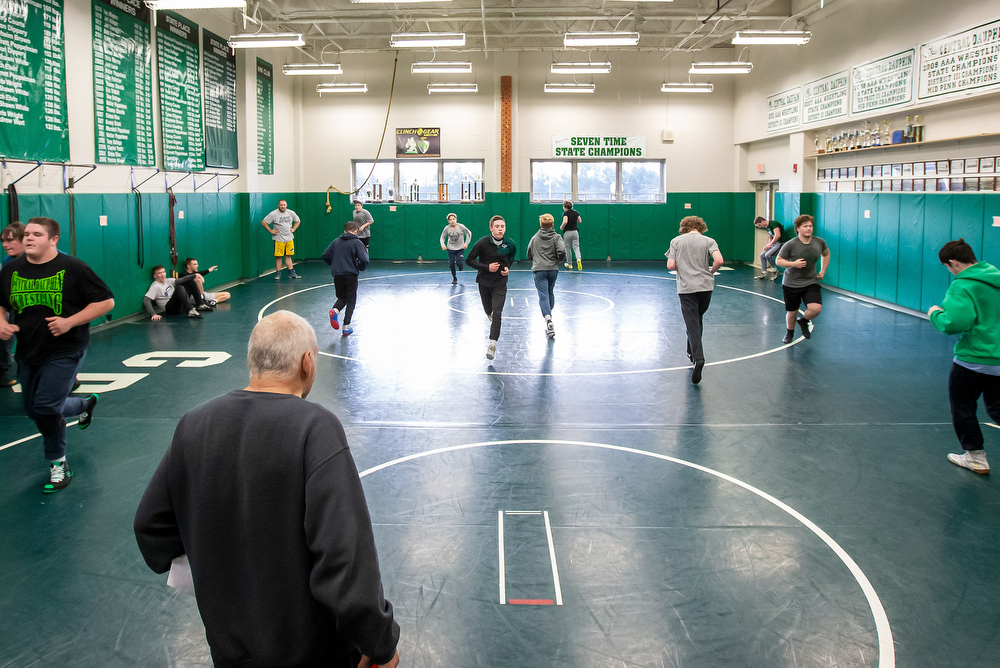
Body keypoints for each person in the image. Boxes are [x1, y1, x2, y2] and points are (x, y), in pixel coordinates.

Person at [134, 311, 400, 668]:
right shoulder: (314, 428)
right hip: (311, 652)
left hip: (229, 648)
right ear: (308, 363)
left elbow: (151, 527)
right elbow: (344, 556)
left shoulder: (194, 423)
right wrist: (379, 641)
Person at [0, 217, 114, 492]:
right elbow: (1, 304)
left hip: (66, 349)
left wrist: (69, 321)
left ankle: (57, 464)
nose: (28, 238)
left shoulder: (73, 267)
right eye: (26, 234)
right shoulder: (11, 269)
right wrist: (2, 323)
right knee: (33, 409)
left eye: (37, 234)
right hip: (29, 350)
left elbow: (106, 301)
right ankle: (84, 405)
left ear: (53, 240)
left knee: (46, 408)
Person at [928, 239, 1000, 475]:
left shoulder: (963, 285)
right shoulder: (996, 277)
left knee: (963, 408)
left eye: (948, 267)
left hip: (973, 360)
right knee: (998, 408)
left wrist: (935, 314)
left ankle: (976, 458)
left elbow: (954, 323)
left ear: (953, 263)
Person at [666, 216, 724, 385]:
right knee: (696, 320)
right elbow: (719, 260)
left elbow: (670, 265)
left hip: (687, 288)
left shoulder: (676, 241)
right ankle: (691, 352)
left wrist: (683, 268)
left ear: (683, 227)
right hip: (706, 287)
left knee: (692, 323)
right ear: (701, 227)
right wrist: (710, 272)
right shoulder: (709, 240)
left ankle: (698, 358)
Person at [466, 215, 517, 360]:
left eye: (503, 226)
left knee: (498, 313)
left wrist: (507, 269)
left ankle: (492, 344)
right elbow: (469, 260)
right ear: (491, 228)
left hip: (500, 283)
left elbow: (510, 259)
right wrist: (486, 267)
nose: (500, 229)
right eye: (497, 226)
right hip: (484, 282)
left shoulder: (510, 244)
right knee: (489, 311)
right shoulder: (482, 243)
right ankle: (490, 315)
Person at [776, 214, 830, 344]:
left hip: (810, 281)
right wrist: (793, 264)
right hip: (791, 283)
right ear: (798, 229)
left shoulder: (819, 242)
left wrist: (823, 270)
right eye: (805, 226)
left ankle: (804, 320)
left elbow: (826, 253)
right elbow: (779, 260)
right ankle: (789, 333)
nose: (809, 228)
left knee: (816, 309)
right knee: (792, 311)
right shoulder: (790, 245)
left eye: (810, 226)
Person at [322, 221, 369, 336]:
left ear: (344, 231)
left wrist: (334, 265)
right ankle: (346, 327)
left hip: (337, 274)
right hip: (350, 274)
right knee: (351, 300)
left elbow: (325, 255)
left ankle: (335, 310)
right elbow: (364, 259)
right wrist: (359, 267)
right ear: (355, 232)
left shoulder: (336, 241)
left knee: (342, 297)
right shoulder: (357, 242)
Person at [527, 213, 566, 339]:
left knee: (543, 295)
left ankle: (548, 318)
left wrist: (535, 261)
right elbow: (562, 251)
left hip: (539, 269)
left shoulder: (535, 238)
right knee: (550, 292)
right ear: (552, 225)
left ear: (541, 224)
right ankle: (549, 316)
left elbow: (529, 253)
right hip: (552, 269)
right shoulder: (557, 237)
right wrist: (557, 260)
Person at [1, 221, 25, 386]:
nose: (5, 244)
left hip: (38, 307)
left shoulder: (50, 257)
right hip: (15, 305)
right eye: (3, 241)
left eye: (10, 240)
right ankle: (2, 370)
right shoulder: (8, 261)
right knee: (5, 337)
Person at [143, 265, 210, 320]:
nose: (162, 275)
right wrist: (153, 314)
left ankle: (200, 304)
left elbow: (180, 280)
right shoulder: (155, 286)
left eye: (163, 272)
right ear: (155, 276)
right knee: (180, 288)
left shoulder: (168, 281)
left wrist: (194, 275)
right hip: (170, 309)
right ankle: (190, 311)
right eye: (159, 273)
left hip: (180, 306)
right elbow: (146, 300)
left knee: (191, 282)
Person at [261, 199, 302, 280]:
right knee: (279, 256)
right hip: (279, 239)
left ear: (286, 205)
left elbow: (298, 221)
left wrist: (293, 229)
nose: (282, 206)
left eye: (284, 205)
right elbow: (264, 222)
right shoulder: (273, 214)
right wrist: (271, 231)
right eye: (281, 205)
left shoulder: (291, 213)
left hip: (289, 238)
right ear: (278, 205)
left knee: (288, 256)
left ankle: (291, 272)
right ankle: (278, 273)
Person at [440, 212, 472, 284]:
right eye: (450, 220)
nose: (452, 221)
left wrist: (466, 243)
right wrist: (442, 244)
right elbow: (442, 237)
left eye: (453, 219)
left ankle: (460, 266)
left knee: (459, 263)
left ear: (456, 219)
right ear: (448, 221)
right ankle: (454, 278)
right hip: (451, 248)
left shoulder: (461, 227)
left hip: (460, 248)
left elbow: (468, 233)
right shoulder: (447, 228)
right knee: (451, 264)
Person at [754, 216, 784, 280]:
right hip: (775, 244)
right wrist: (768, 245)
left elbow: (778, 235)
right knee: (762, 255)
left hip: (780, 243)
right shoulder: (767, 227)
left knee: (768, 255)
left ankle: (775, 271)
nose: (759, 226)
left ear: (762, 221)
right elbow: (770, 237)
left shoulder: (773, 224)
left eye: (759, 225)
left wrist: (770, 244)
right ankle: (764, 272)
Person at [560, 200, 583, 271]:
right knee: (576, 247)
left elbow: (565, 221)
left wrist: (561, 226)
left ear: (565, 207)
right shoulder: (576, 213)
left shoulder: (565, 213)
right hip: (575, 232)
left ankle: (569, 263)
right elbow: (580, 221)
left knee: (568, 248)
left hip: (567, 232)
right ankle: (578, 260)